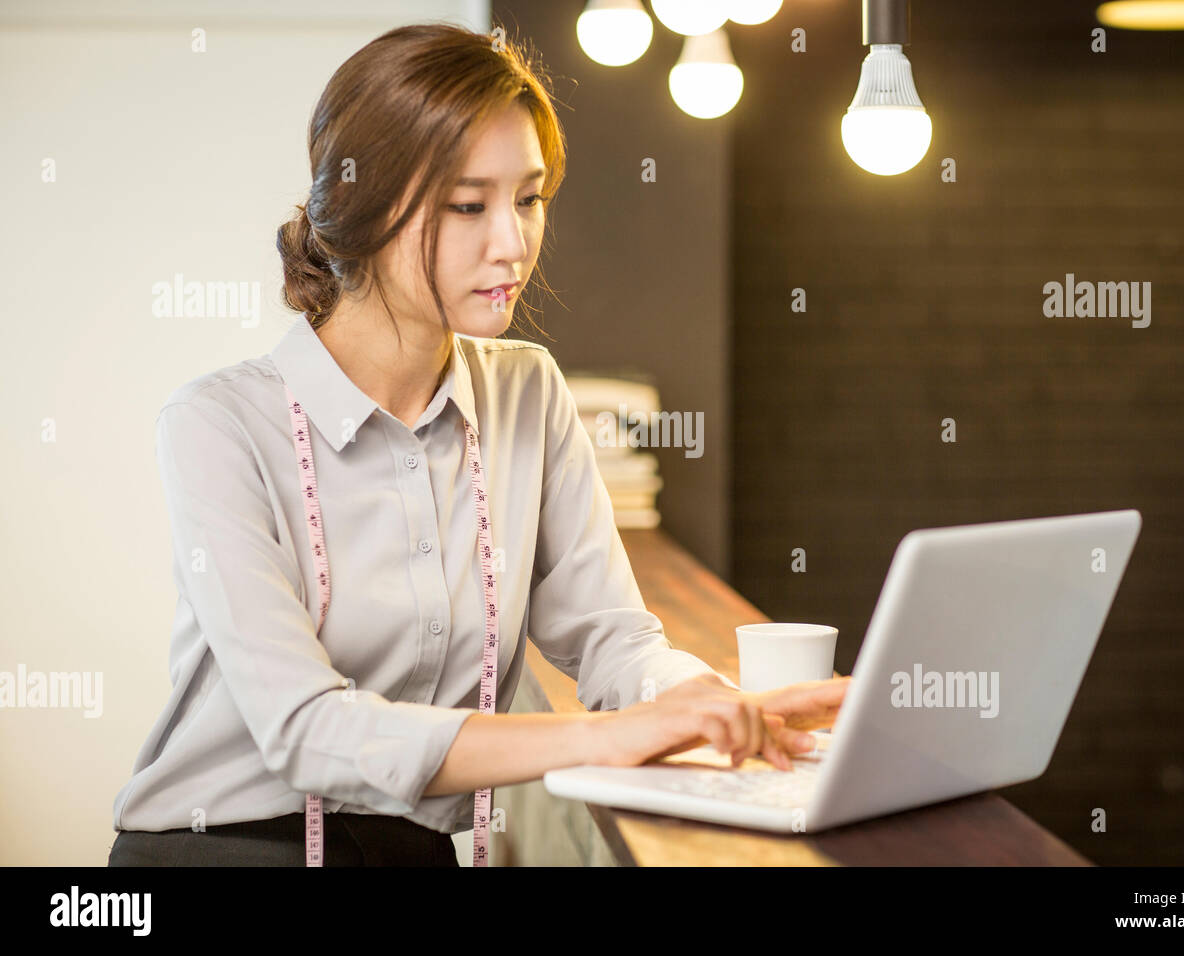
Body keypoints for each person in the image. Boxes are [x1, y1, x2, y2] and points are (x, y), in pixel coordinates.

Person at [108, 22, 849, 867]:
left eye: (528, 199)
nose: (514, 242)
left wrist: (710, 704)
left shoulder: (526, 393)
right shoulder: (218, 425)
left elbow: (611, 638)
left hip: (409, 848)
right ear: (365, 208)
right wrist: (602, 740)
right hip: (221, 853)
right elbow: (304, 731)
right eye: (469, 205)